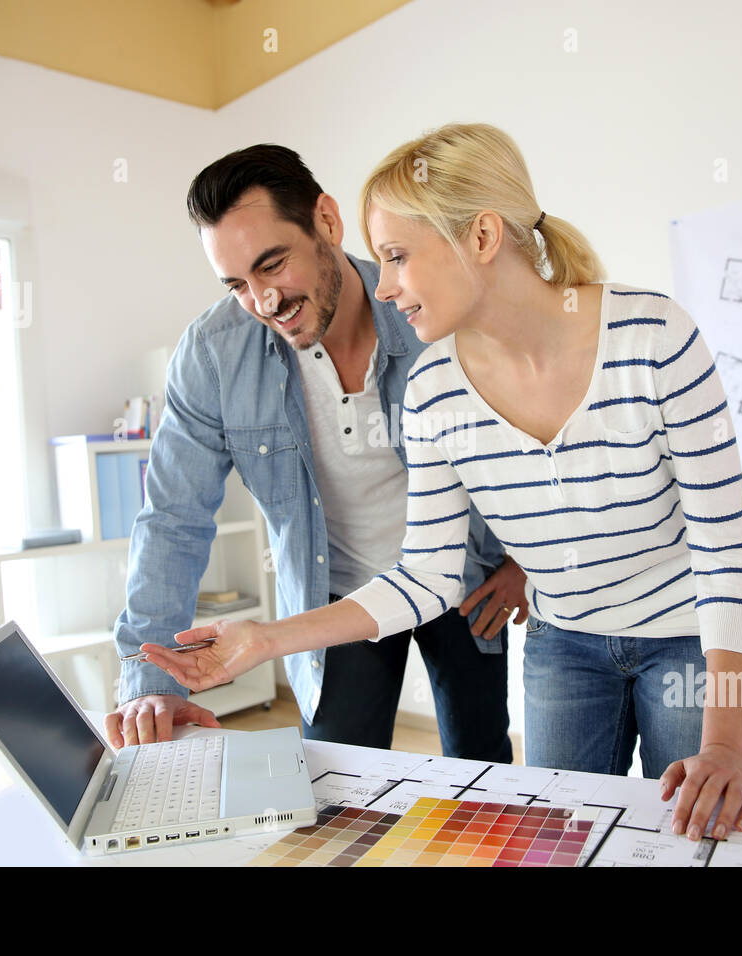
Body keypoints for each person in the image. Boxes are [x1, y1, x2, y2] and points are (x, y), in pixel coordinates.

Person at [138, 124, 742, 842]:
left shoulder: (656, 338)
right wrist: (263, 641)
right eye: (382, 260)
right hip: (564, 644)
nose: (385, 285)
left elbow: (724, 552)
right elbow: (427, 577)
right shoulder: (435, 388)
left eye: (399, 257)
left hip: (687, 635)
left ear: (482, 236)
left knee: (688, 833)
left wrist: (724, 741)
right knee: (554, 837)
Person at [106, 143, 525, 762]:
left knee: (480, 760)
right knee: (336, 782)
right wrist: (152, 681)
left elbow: (518, 440)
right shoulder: (213, 355)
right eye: (237, 284)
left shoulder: (428, 312)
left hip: (460, 579)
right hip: (333, 596)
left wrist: (522, 560)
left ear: (327, 221)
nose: (263, 301)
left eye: (273, 265)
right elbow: (173, 518)